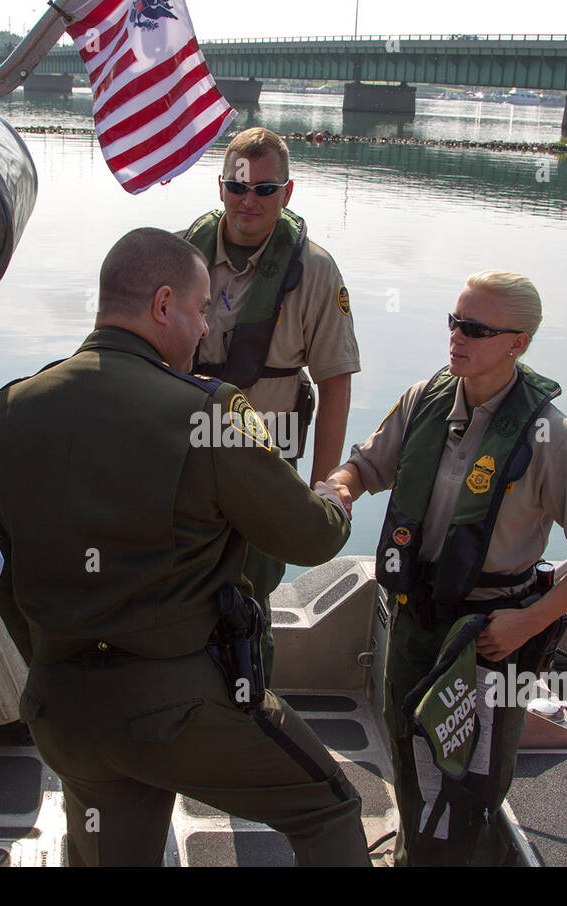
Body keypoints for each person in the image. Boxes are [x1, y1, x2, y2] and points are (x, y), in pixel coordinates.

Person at [0, 228, 370, 867]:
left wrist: (50, 665)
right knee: (329, 809)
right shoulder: (211, 411)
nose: (205, 331)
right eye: (202, 309)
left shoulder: (12, 406)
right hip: (181, 713)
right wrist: (335, 493)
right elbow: (310, 537)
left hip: (61, 708)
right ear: (164, 305)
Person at [325, 270, 567, 866]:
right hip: (414, 620)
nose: (455, 338)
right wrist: (338, 487)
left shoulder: (552, 436)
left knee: (473, 777)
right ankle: (416, 854)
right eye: (453, 321)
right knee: (410, 751)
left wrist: (529, 621)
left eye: (474, 328)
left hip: (489, 640)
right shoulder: (426, 400)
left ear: (517, 342)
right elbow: (364, 467)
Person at [182, 126, 360, 684]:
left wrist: (321, 484)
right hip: (186, 455)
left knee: (251, 597)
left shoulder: (316, 271)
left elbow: (335, 381)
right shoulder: (179, 259)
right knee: (180, 588)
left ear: (288, 193)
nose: (249, 200)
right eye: (238, 186)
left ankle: (251, 708)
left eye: (265, 188)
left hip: (267, 458)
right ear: (220, 187)